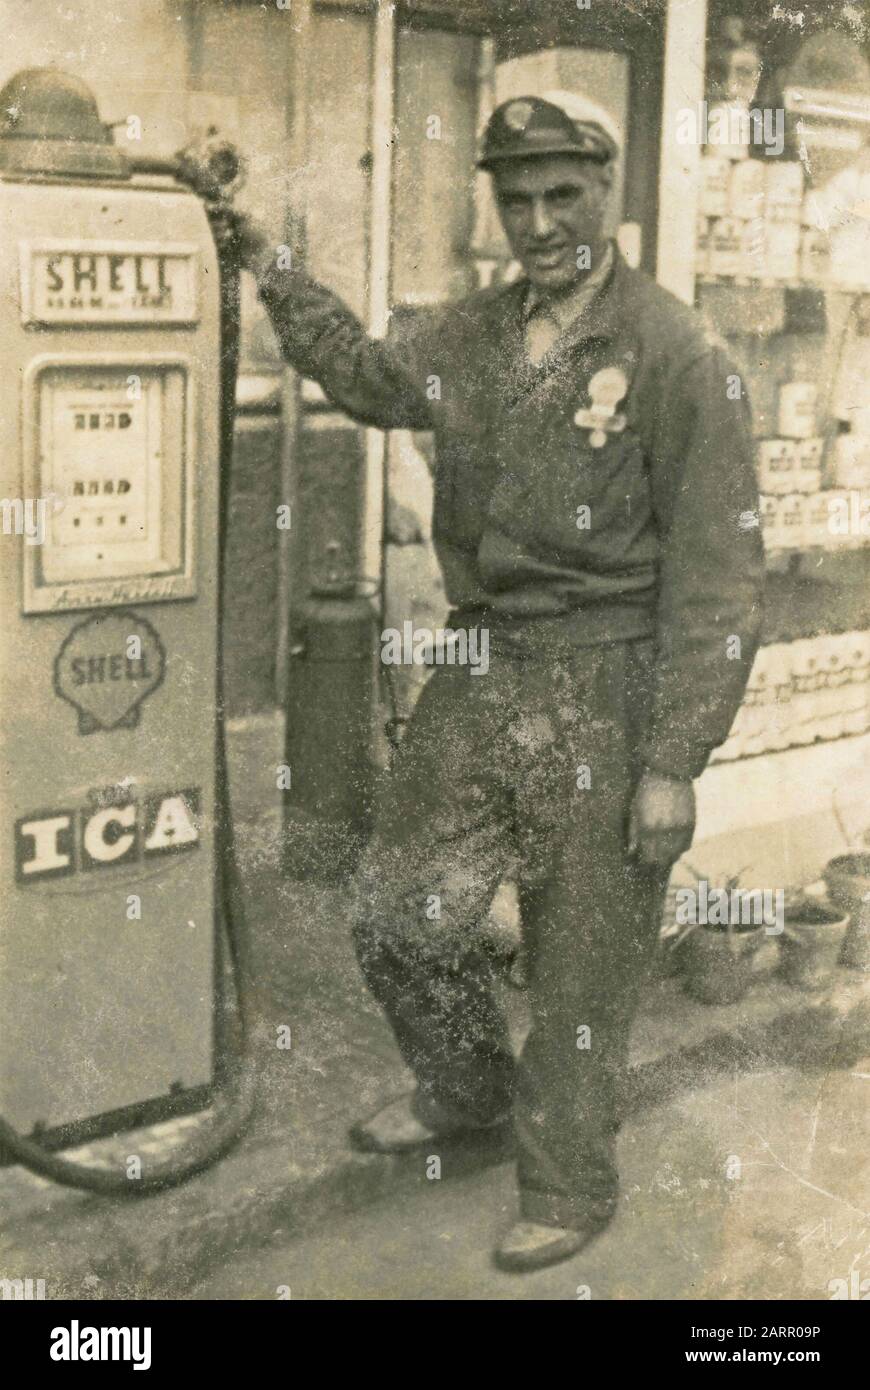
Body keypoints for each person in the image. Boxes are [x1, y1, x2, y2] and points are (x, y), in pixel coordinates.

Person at [237, 91, 765, 1272]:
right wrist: (268, 262)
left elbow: (723, 581)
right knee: (397, 906)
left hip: (612, 676)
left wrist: (675, 757)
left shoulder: (681, 355)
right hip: (485, 662)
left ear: (608, 191)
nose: (537, 220)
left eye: (561, 194)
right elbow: (372, 379)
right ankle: (468, 1088)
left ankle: (570, 1185)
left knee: (581, 955)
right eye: (515, 197)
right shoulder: (473, 335)